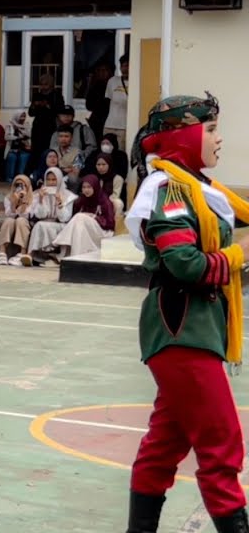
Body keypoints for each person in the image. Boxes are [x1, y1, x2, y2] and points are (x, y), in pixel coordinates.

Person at [123, 93, 249, 533]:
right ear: (184, 136)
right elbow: (186, 266)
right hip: (182, 328)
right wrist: (238, 255)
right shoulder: (170, 191)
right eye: (210, 130)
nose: (219, 140)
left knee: (166, 443)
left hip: (194, 328)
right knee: (221, 442)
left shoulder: (202, 191)